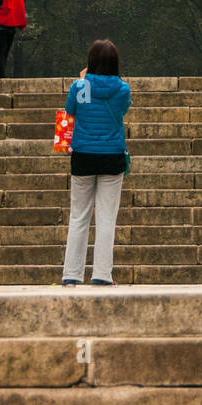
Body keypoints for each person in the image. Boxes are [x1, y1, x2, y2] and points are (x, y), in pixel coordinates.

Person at [61, 38, 130, 286]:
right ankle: (102, 274)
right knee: (106, 217)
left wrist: (84, 79)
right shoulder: (123, 89)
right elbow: (121, 111)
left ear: (90, 62)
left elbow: (70, 111)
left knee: (78, 216)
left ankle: (71, 273)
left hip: (83, 155)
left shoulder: (79, 86)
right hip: (112, 156)